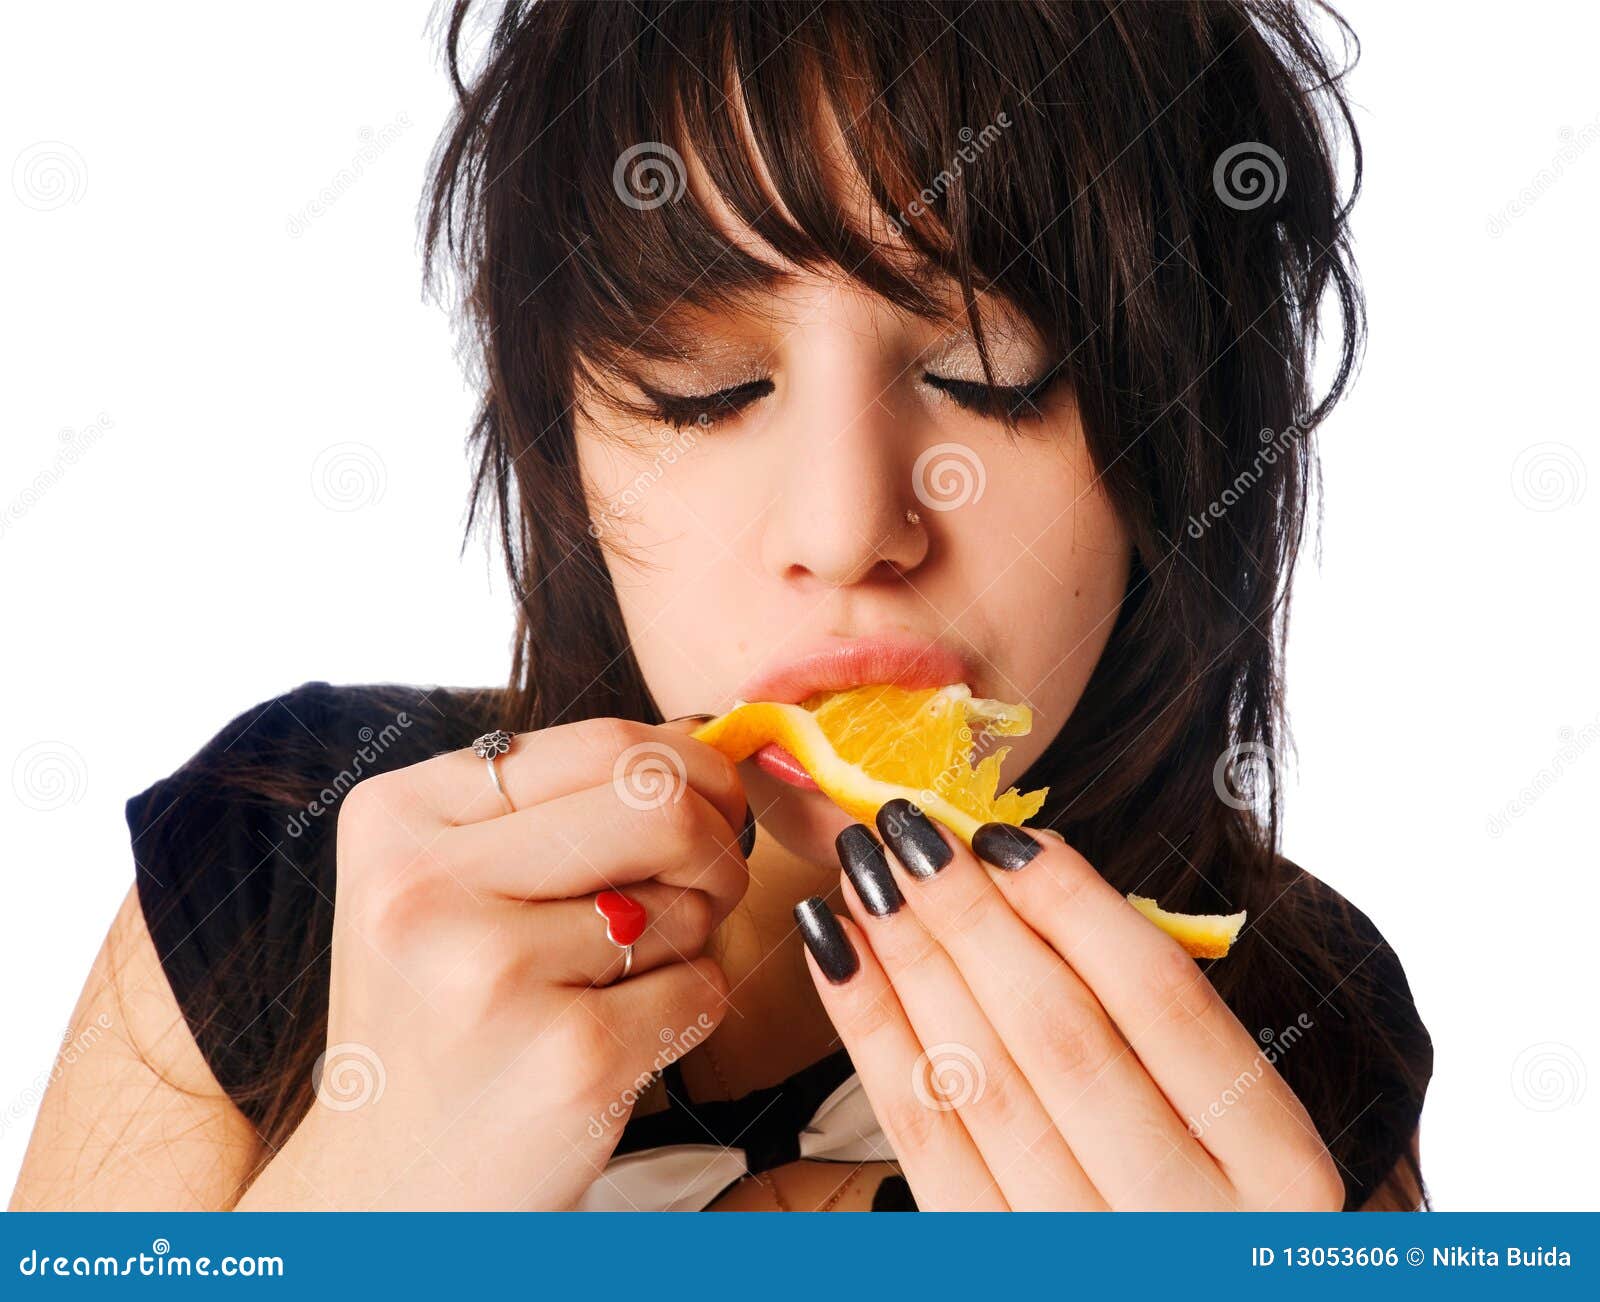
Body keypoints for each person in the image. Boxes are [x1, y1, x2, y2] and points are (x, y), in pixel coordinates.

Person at [11, 0, 1430, 1212]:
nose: (846, 526)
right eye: (705, 387)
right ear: (560, 439)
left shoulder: (1286, 1040)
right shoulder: (291, 859)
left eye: (993, 372)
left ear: (1181, 438)